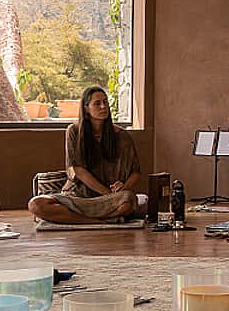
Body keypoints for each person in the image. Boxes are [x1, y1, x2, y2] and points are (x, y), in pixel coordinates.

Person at [28, 86, 144, 224]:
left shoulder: (122, 136)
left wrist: (122, 188)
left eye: (105, 102)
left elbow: (136, 172)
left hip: (110, 201)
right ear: (86, 108)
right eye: (97, 103)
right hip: (78, 197)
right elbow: (79, 171)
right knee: (36, 204)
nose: (103, 106)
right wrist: (107, 193)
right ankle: (100, 221)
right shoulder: (74, 131)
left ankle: (83, 220)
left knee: (128, 201)